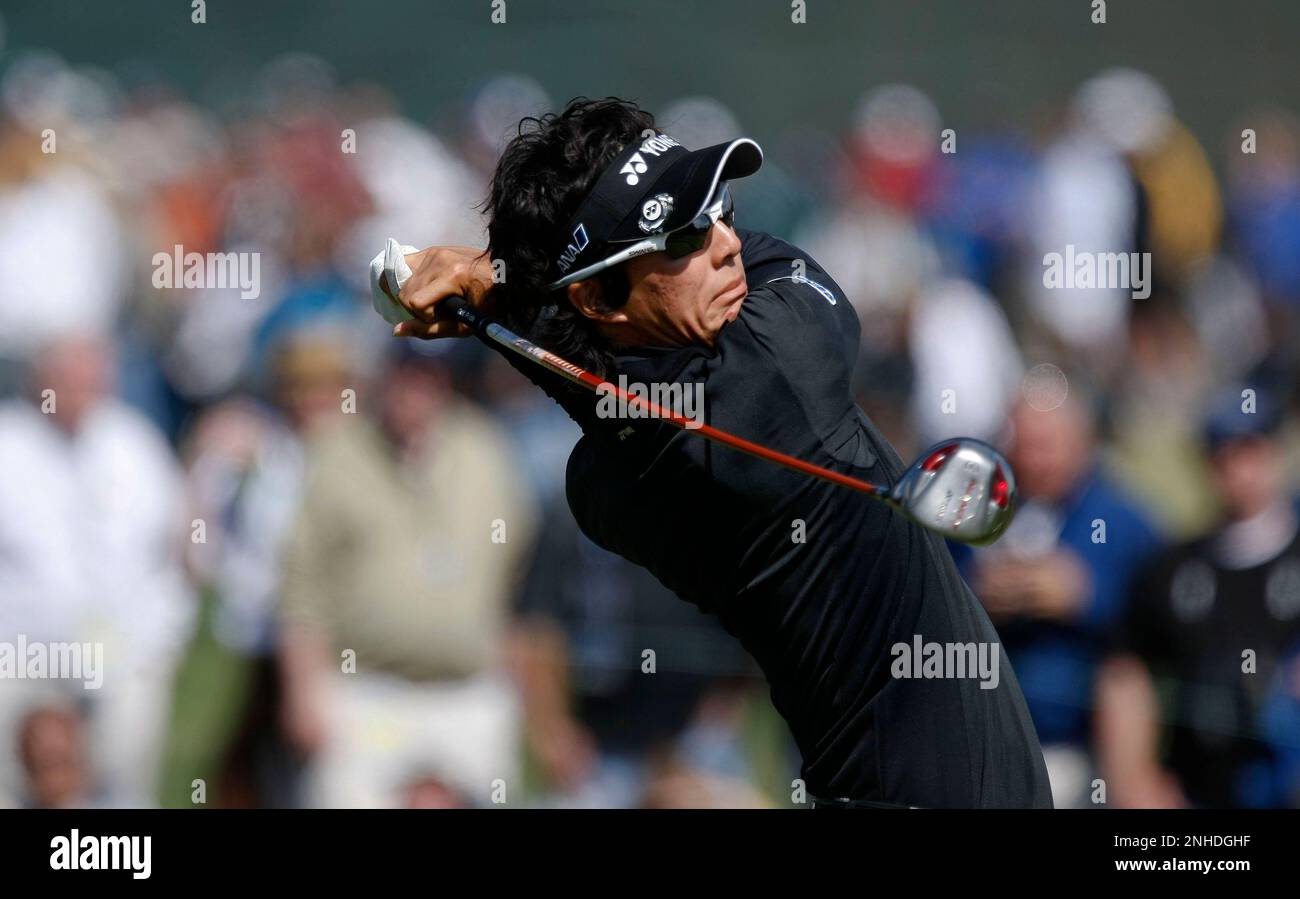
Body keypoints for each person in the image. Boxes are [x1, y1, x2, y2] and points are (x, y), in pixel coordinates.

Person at [373, 97, 1051, 808]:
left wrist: (508, 291)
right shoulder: (779, 372)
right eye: (681, 234)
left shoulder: (603, 484)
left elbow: (597, 370)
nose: (727, 241)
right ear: (600, 300)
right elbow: (774, 268)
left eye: (720, 207)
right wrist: (502, 285)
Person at [276, 341, 536, 808]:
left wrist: (516, 691)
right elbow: (303, 588)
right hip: (366, 692)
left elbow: (517, 580)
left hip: (467, 692)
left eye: (430, 375)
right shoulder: (337, 455)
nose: (416, 389)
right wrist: (303, 690)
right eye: (406, 374)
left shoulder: (485, 452)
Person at [1096, 387, 1300, 807]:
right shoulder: (1170, 569)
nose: (1238, 470)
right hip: (1198, 788)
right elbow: (1125, 673)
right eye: (1222, 455)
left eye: (1249, 450)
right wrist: (1135, 779)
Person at [966, 388, 1162, 806]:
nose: (1035, 459)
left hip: (1079, 746)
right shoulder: (980, 504)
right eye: (1025, 444)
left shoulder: (1123, 520)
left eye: (1048, 445)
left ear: (1083, 442)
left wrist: (1088, 597)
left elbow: (1161, 620)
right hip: (978, 735)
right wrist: (977, 591)